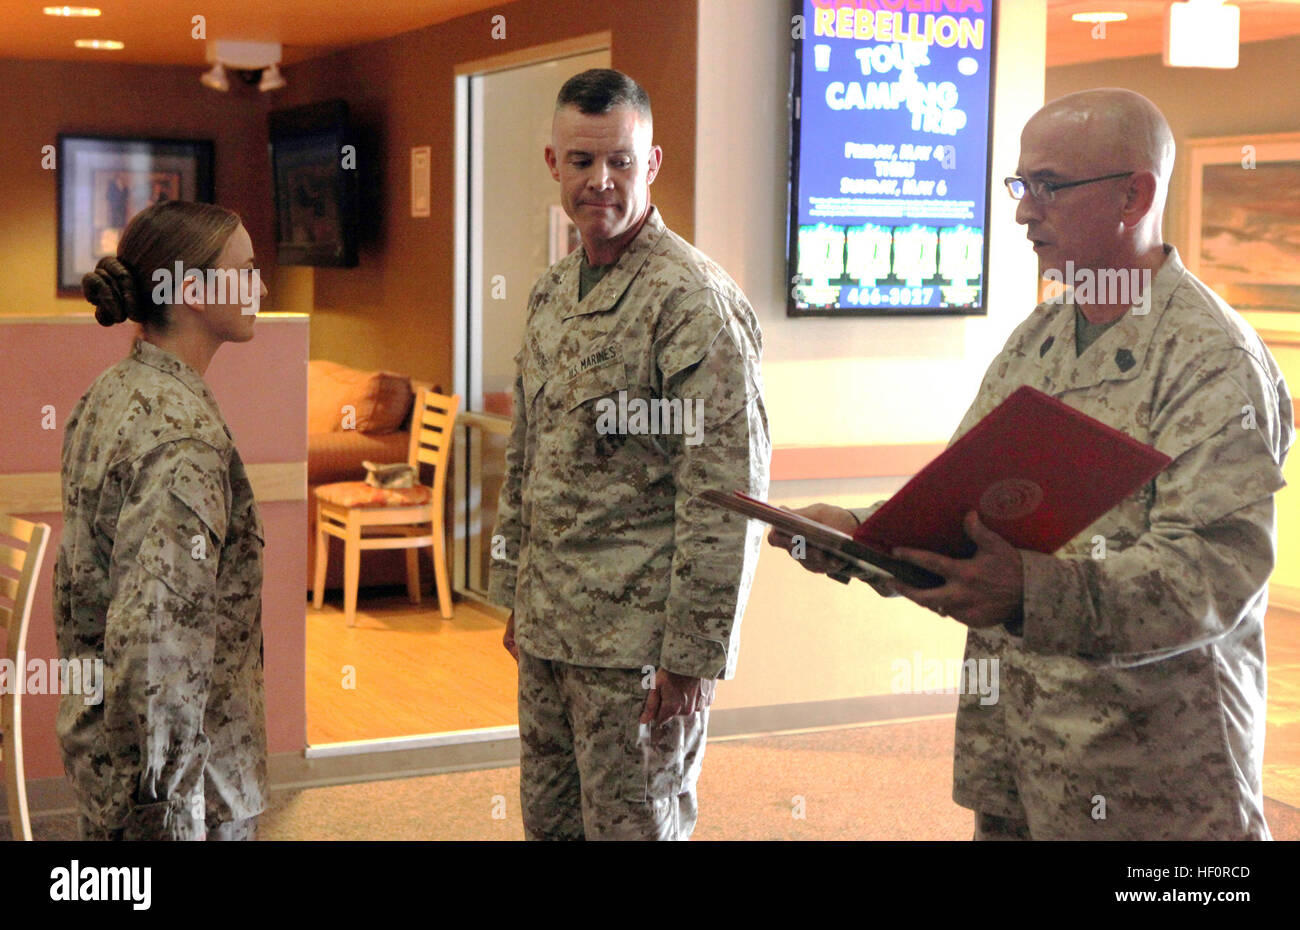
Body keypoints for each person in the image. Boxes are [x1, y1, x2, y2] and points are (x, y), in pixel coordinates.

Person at [770, 88, 1293, 840]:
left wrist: (1032, 590)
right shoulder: (1040, 336)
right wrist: (856, 537)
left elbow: (1212, 577)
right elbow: (959, 513)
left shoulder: (1210, 360)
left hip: (1155, 786)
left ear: (1133, 194)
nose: (1022, 211)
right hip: (1020, 762)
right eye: (1021, 186)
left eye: (1048, 186)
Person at [489, 69, 769, 840]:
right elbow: (528, 455)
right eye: (582, 162)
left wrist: (693, 657)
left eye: (620, 161)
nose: (600, 182)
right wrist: (513, 588)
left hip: (639, 657)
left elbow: (726, 495)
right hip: (551, 634)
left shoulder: (690, 303)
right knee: (551, 824)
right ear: (555, 164)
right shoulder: (552, 296)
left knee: (634, 829)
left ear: (651, 164)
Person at [54, 200, 269, 841]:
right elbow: (158, 644)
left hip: (106, 756)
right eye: (247, 270)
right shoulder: (182, 438)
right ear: (195, 291)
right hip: (182, 791)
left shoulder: (112, 391)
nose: (259, 287)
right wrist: (166, 811)